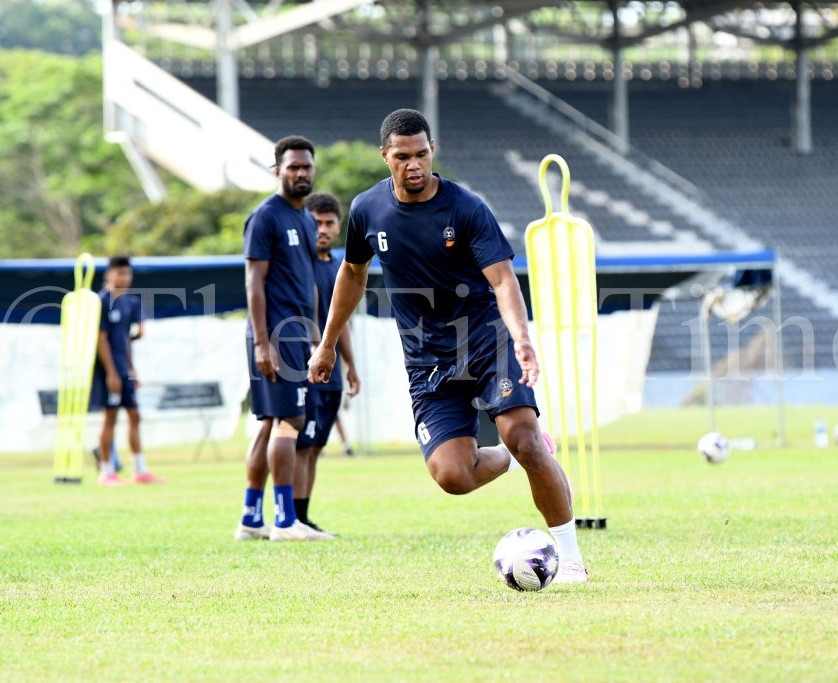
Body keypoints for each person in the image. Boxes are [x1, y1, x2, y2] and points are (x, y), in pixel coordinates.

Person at [308, 109, 588, 583]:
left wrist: (522, 338)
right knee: (453, 476)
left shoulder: (466, 208)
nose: (414, 164)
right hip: (428, 361)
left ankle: (571, 557)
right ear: (385, 156)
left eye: (422, 154)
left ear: (432, 150)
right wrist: (328, 344)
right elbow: (352, 274)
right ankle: (520, 455)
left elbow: (503, 280)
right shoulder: (367, 210)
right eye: (403, 157)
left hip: (487, 342)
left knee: (522, 435)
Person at [235, 135, 329, 542]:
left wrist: (315, 336)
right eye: (293, 167)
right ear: (278, 171)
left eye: (306, 166)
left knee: (269, 424)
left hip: (298, 335)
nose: (301, 173)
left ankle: (251, 519)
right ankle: (285, 521)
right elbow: (253, 281)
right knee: (290, 421)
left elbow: (308, 283)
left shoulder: (306, 219)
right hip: (274, 334)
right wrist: (262, 342)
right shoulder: (265, 217)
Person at [293, 192, 362, 535]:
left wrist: (351, 365)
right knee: (301, 445)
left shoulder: (340, 267)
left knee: (316, 445)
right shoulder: (296, 264)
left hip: (331, 371)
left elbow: (340, 323)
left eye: (329, 223)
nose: (322, 229)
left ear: (338, 227)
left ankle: (303, 518)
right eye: (316, 222)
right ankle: (291, 518)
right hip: (302, 368)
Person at [91, 256, 163, 485]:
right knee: (110, 418)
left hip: (124, 369)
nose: (125, 278)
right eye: (120, 273)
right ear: (109, 274)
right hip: (107, 370)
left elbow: (126, 340)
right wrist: (111, 373)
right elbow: (101, 339)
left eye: (128, 273)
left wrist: (132, 370)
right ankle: (106, 472)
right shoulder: (100, 302)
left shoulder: (130, 302)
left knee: (134, 415)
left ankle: (140, 470)